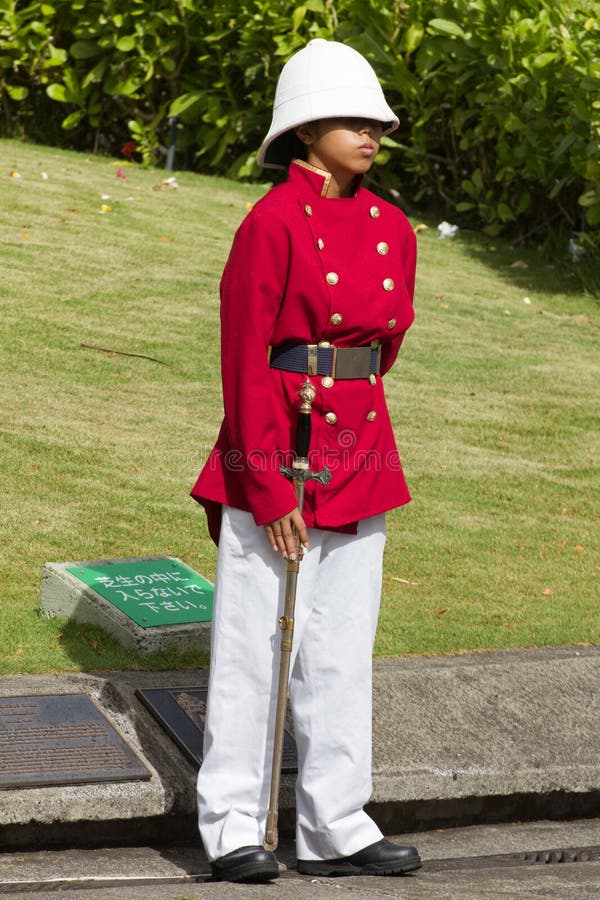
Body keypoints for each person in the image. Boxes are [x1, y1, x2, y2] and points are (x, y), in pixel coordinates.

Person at [191, 38, 421, 884]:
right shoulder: (272, 221)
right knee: (256, 643)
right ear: (305, 128)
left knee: (340, 643)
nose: (372, 132)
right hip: (278, 442)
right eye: (354, 120)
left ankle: (336, 822)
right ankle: (232, 825)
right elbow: (246, 355)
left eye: (376, 121)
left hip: (360, 445)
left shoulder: (394, 225)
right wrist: (266, 477)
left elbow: (381, 351)